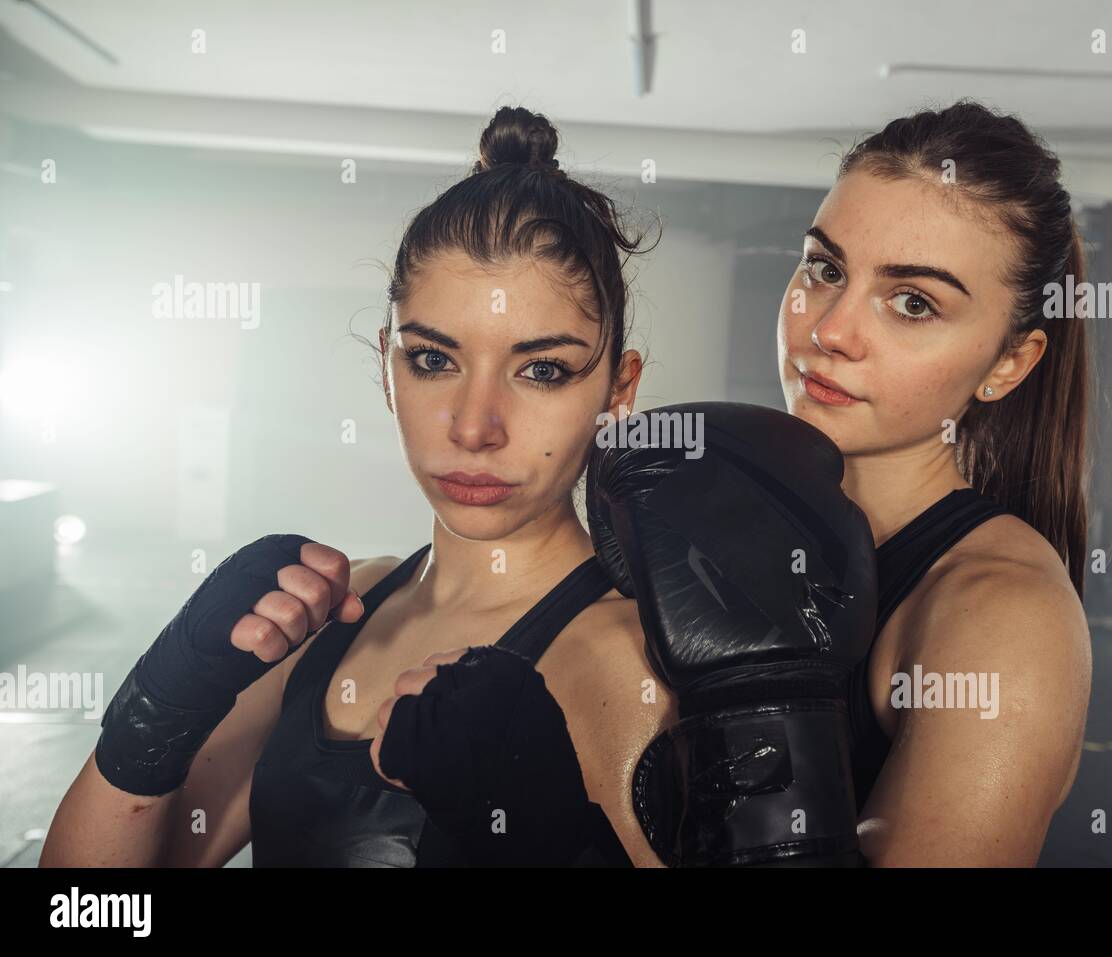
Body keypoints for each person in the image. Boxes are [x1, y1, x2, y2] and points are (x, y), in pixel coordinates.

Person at [40, 106, 674, 867]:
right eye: (434, 360)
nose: (474, 427)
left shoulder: (629, 663)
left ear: (618, 389)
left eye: (541, 369)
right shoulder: (334, 612)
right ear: (387, 366)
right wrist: (155, 707)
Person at [778, 100, 1094, 865]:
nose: (830, 330)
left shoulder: (1002, 614)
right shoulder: (743, 532)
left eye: (913, 302)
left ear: (1008, 364)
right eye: (826, 269)